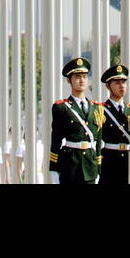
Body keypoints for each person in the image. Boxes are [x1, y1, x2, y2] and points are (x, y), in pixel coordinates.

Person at [48, 57, 103, 185]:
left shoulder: (96, 107)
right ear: (69, 80)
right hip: (69, 165)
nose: (82, 80)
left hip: (90, 165)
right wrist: (54, 170)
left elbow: (98, 141)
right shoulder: (61, 107)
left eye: (84, 76)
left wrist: (99, 169)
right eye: (77, 76)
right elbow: (55, 140)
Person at [98, 63, 130, 185]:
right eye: (117, 83)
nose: (122, 86)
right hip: (110, 161)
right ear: (108, 86)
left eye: (123, 82)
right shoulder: (101, 109)